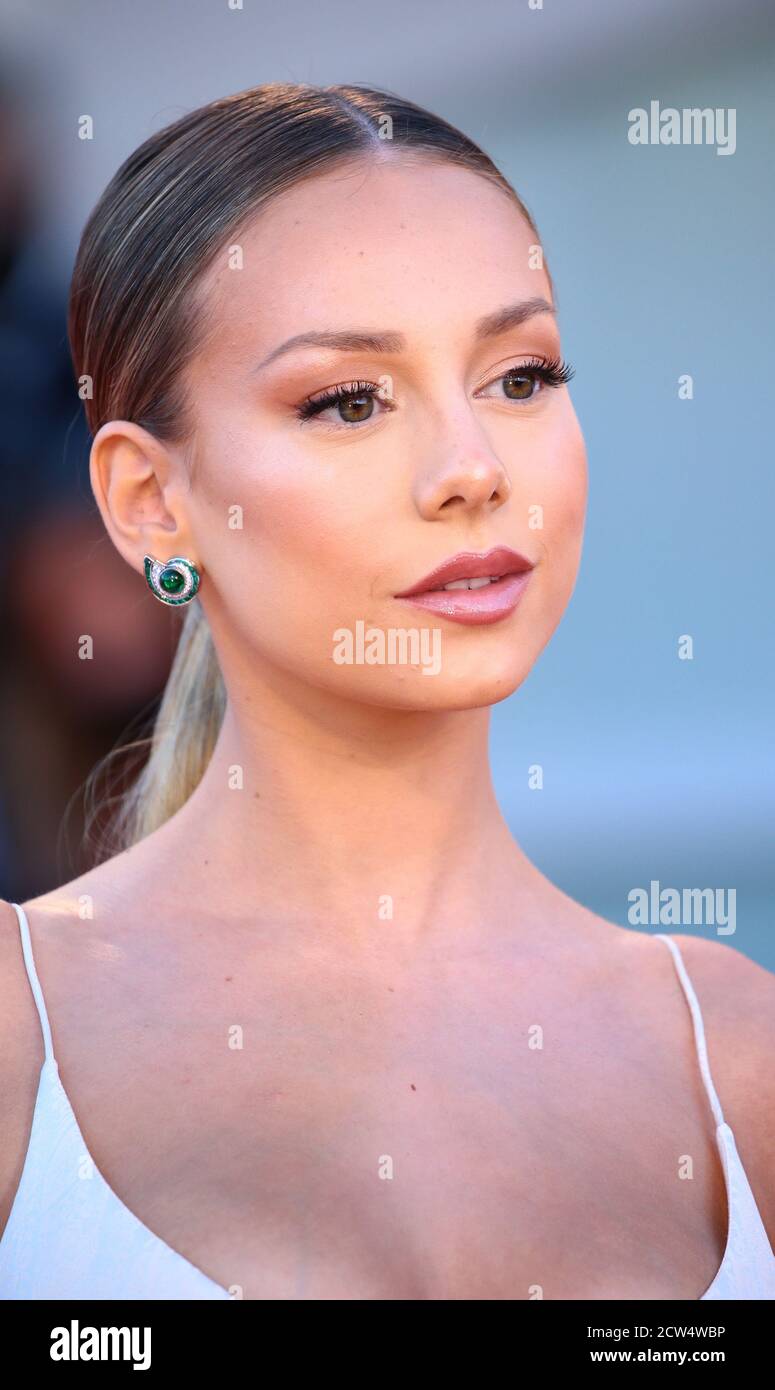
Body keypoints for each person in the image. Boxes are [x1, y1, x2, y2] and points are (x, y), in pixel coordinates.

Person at [1, 82, 773, 1302]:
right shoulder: (15, 1040)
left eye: (520, 376)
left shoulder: (739, 1058)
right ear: (153, 501)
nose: (471, 469)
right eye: (347, 400)